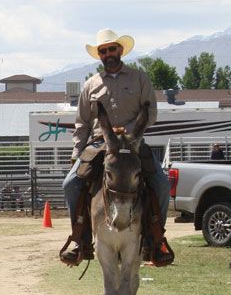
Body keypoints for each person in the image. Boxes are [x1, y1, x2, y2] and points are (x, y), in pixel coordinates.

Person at [59, 29, 173, 266]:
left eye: (112, 49)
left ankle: (155, 240)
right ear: (99, 55)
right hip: (99, 144)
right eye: (103, 51)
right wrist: (76, 154)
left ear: (120, 50)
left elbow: (151, 113)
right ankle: (80, 240)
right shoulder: (91, 84)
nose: (108, 54)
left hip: (134, 142)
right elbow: (82, 123)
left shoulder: (139, 79)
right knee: (70, 184)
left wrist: (128, 131)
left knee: (161, 184)